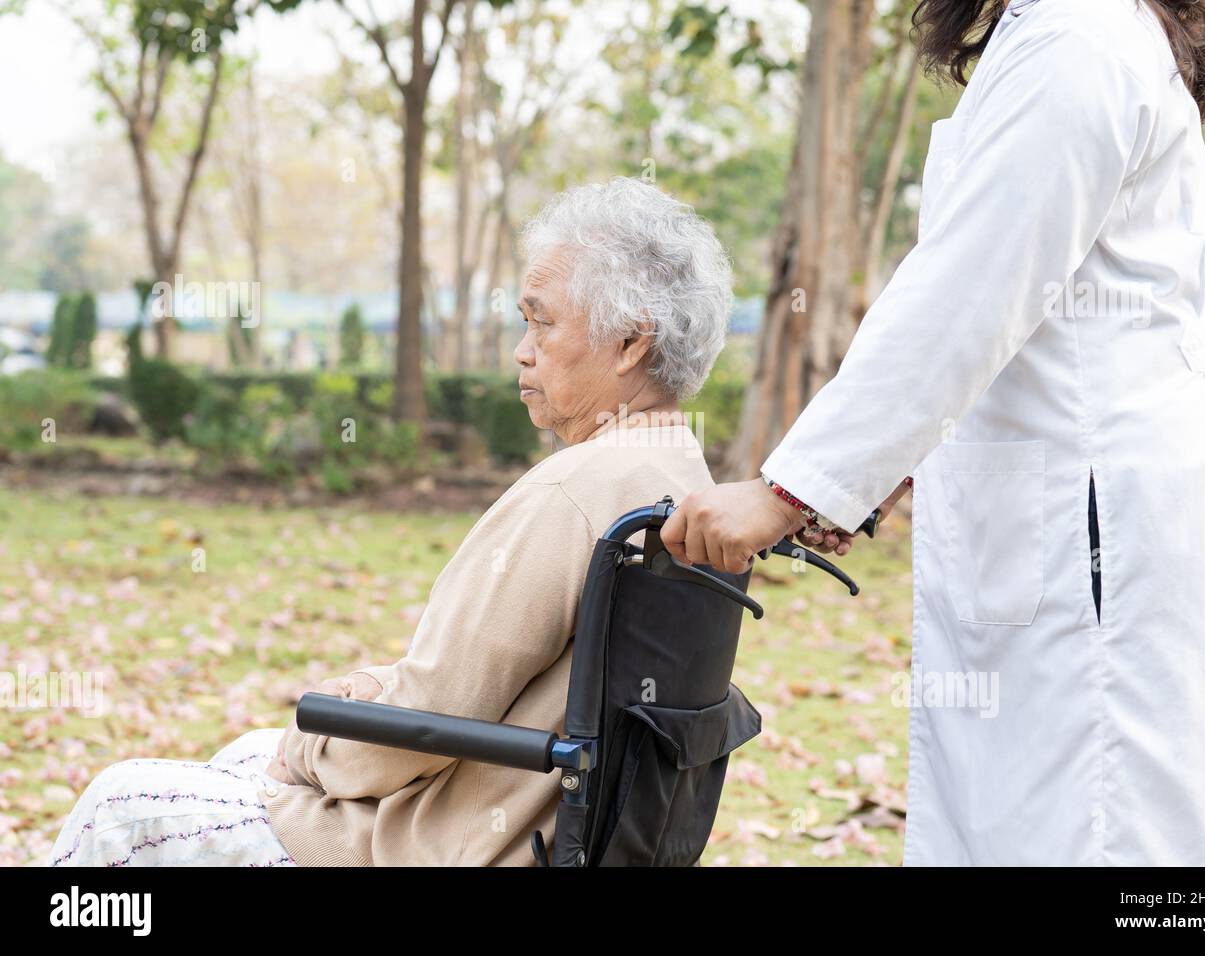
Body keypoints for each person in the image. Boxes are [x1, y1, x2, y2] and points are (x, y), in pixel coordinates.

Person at [662, 0, 1205, 865]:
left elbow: (966, 293)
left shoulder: (1077, 37)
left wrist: (787, 490)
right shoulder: (1068, 30)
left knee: (1105, 832)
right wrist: (887, 470)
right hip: (1081, 501)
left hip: (1100, 521)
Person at [49, 177, 733, 866]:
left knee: (119, 805)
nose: (521, 351)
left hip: (450, 845)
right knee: (242, 753)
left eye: (541, 322)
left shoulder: (578, 489)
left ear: (629, 342)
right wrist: (367, 697)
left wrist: (309, 746)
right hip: (544, 829)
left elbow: (418, 730)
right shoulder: (682, 477)